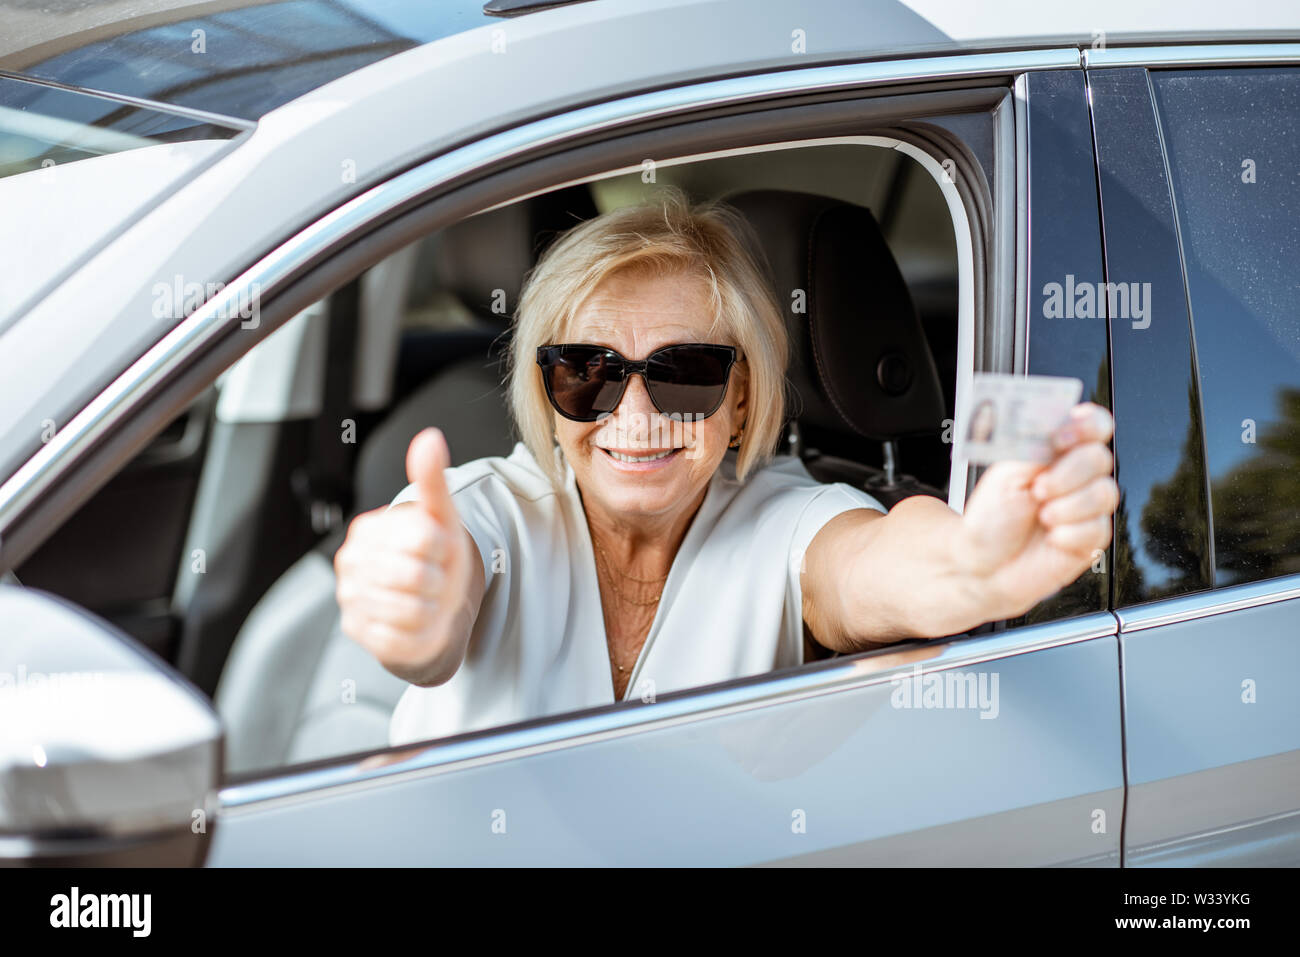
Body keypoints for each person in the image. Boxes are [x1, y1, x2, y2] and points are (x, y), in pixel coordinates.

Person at [334, 187, 1118, 745]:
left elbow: (869, 565)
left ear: (742, 399)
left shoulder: (782, 517)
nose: (634, 418)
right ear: (546, 392)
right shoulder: (485, 512)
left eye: (685, 372)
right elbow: (432, 611)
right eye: (589, 372)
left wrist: (972, 566)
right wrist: (416, 613)